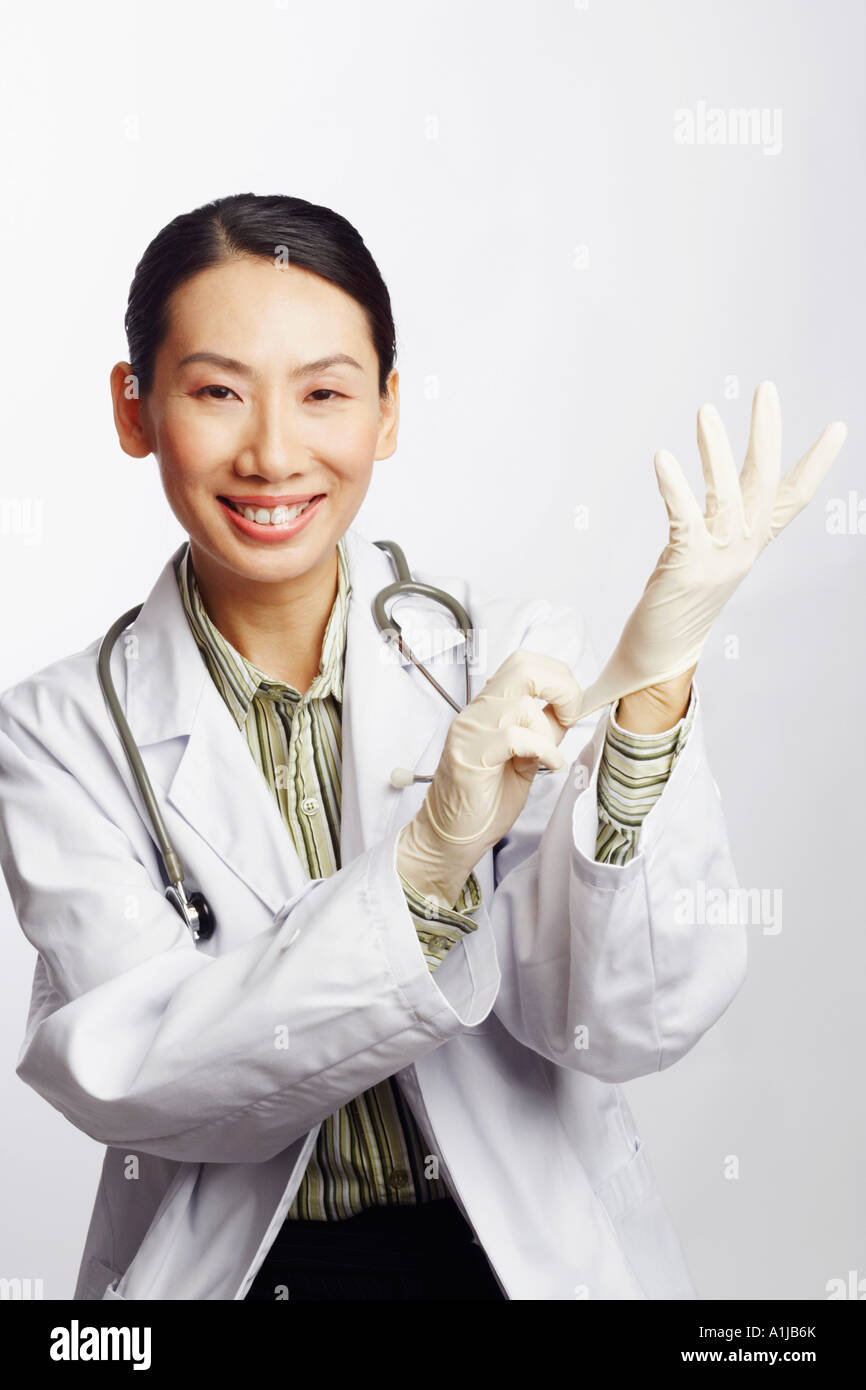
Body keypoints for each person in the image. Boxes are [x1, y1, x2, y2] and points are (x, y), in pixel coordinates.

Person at [0, 193, 845, 1301]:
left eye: (324, 394)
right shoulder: (56, 735)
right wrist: (424, 868)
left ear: (387, 410)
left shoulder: (500, 654)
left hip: (511, 1264)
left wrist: (650, 693)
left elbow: (623, 1018)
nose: (272, 452)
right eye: (215, 391)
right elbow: (144, 1076)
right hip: (247, 1275)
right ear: (134, 406)